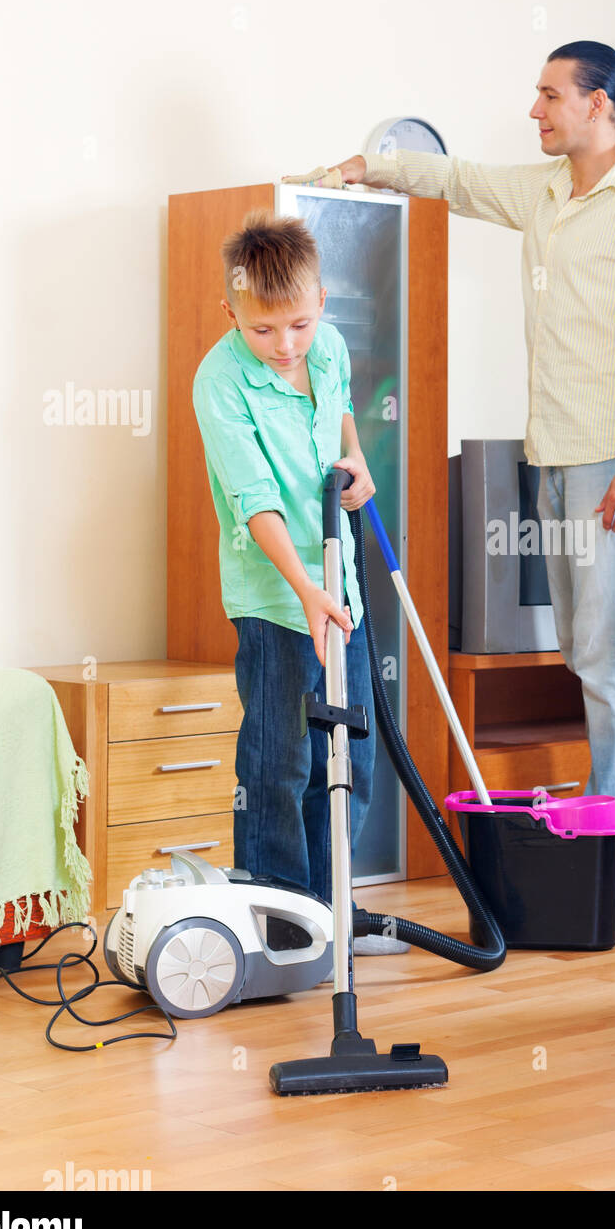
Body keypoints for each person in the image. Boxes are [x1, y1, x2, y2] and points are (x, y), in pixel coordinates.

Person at [287, 41, 615, 885]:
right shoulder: (551, 191)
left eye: (550, 96)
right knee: (607, 653)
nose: (535, 110)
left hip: (609, 465)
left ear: (599, 106)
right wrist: (374, 165)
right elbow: (463, 180)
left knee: (602, 657)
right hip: (554, 452)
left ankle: (607, 855)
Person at [193, 212, 404, 953]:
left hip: (336, 578)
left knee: (348, 750)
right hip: (273, 595)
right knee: (278, 762)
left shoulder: (329, 345)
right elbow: (256, 500)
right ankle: (281, 924)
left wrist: (358, 460)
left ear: (320, 301)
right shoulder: (219, 382)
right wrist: (304, 591)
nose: (285, 346)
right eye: (264, 331)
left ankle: (333, 910)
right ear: (232, 313)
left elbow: (341, 408)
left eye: (300, 325)